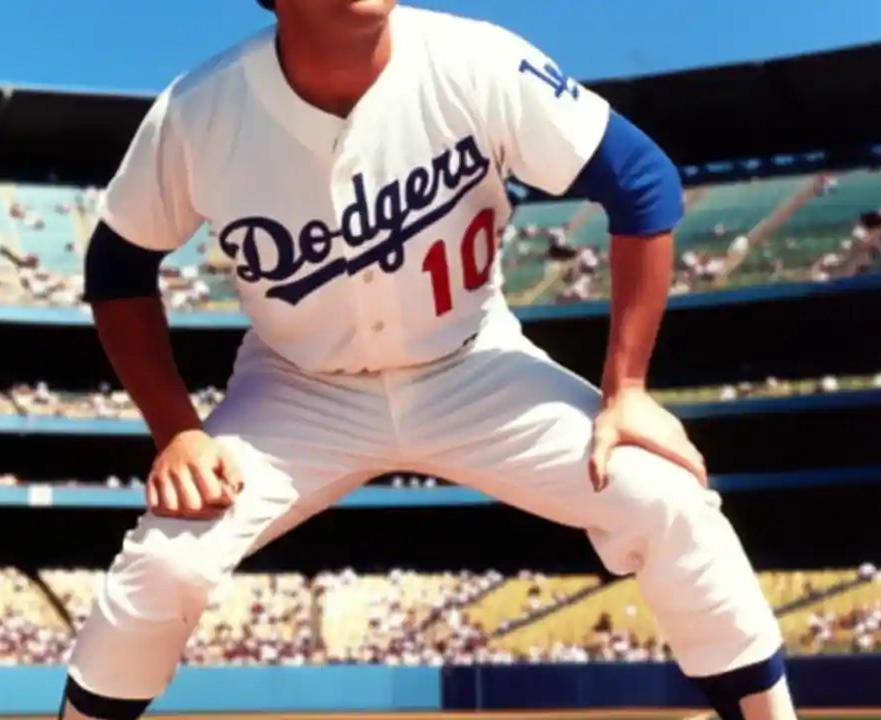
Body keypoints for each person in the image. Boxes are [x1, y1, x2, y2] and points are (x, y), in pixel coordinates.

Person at [66, 2, 796, 719]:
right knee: (166, 562)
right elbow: (118, 267)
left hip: (475, 366)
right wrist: (176, 429)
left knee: (666, 498)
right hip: (295, 389)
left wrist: (627, 388)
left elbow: (641, 179)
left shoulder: (474, 60)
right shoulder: (198, 109)